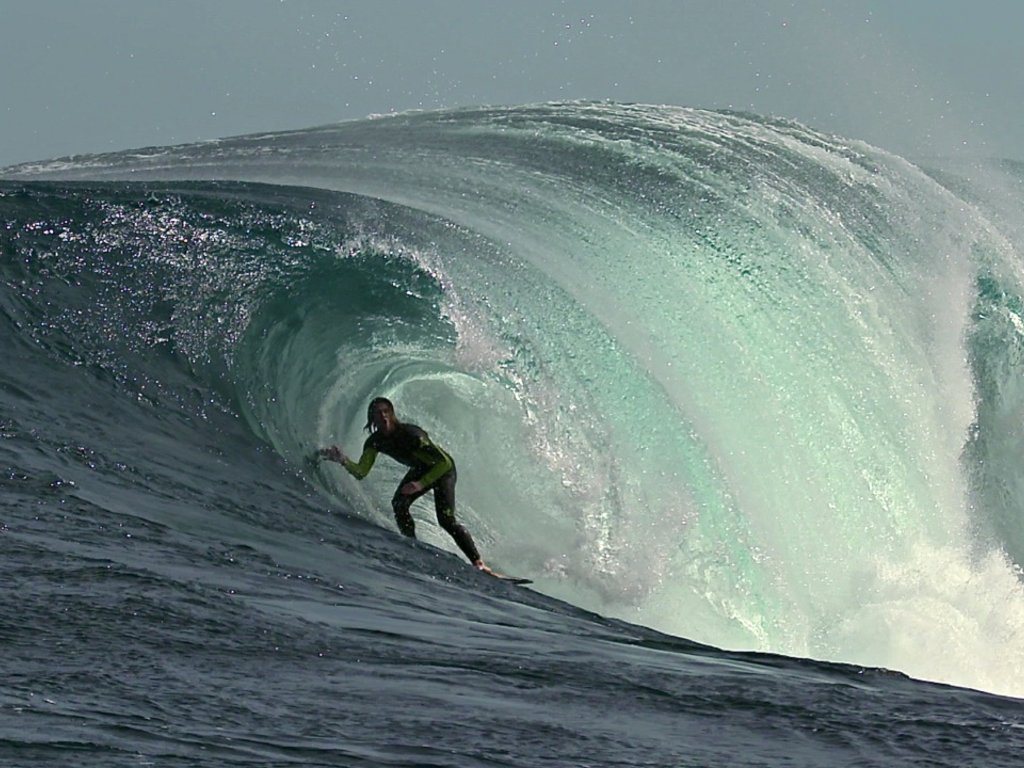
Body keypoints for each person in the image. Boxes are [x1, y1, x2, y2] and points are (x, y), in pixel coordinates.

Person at [319, 397, 492, 573]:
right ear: (372, 419)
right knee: (399, 504)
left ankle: (478, 563)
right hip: (421, 469)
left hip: (442, 471)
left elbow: (445, 463)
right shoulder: (375, 442)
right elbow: (361, 472)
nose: (383, 416)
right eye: (378, 414)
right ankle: (411, 545)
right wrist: (343, 461)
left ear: (392, 415)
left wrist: (420, 484)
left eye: (386, 412)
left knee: (446, 520)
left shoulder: (412, 435)